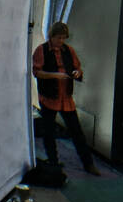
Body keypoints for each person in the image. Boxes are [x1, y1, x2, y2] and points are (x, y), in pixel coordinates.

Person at [31, 22, 101, 176]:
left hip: (66, 98)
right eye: (58, 38)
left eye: (63, 38)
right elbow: (37, 72)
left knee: (77, 132)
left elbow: (77, 67)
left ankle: (88, 164)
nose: (61, 41)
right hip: (49, 97)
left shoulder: (69, 50)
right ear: (52, 36)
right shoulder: (42, 50)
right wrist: (55, 75)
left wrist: (77, 73)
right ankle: (53, 162)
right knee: (49, 133)